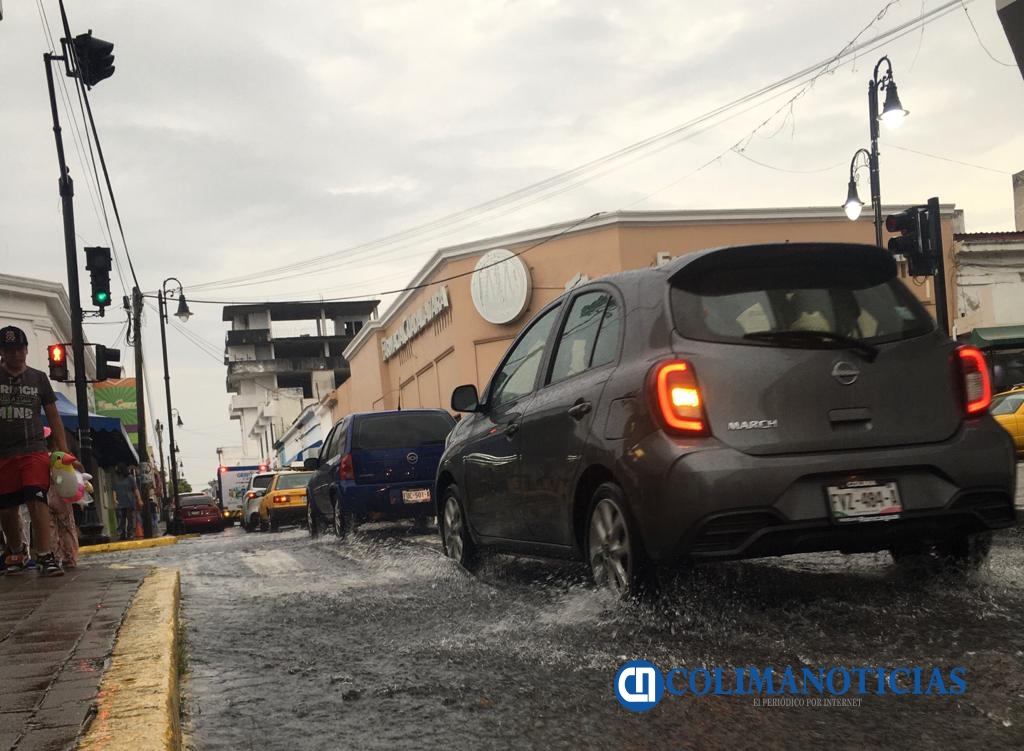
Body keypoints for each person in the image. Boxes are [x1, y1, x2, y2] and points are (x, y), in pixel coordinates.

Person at [0, 325, 66, 576]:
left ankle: (45, 555)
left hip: (33, 450)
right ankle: (15, 551)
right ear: (1, 353)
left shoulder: (39, 378)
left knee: (37, 499)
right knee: (6, 510)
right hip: (3, 454)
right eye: (9, 350)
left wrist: (62, 450)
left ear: (26, 350)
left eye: (19, 349)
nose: (15, 355)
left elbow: (53, 416)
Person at [44, 427, 80, 568]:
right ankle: (69, 557)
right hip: (62, 496)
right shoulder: (62, 457)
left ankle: (54, 556)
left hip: (46, 496)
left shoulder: (42, 458)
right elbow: (79, 468)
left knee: (50, 528)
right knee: (66, 527)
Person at [112, 463, 141, 540]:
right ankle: (122, 534)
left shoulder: (130, 478)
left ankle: (130, 533)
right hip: (120, 502)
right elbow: (114, 490)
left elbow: (135, 489)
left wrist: (139, 499)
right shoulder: (116, 479)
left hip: (129, 501)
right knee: (121, 519)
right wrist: (114, 500)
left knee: (130, 518)